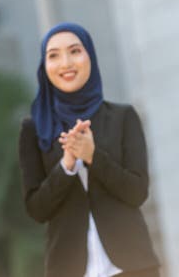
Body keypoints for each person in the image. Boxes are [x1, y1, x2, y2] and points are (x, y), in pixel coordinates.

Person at [18, 22, 160, 277]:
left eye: (75, 51)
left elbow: (137, 192)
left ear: (90, 57)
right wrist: (67, 166)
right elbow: (36, 209)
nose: (66, 63)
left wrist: (93, 157)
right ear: (44, 66)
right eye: (53, 55)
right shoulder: (33, 129)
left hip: (132, 265)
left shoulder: (122, 117)